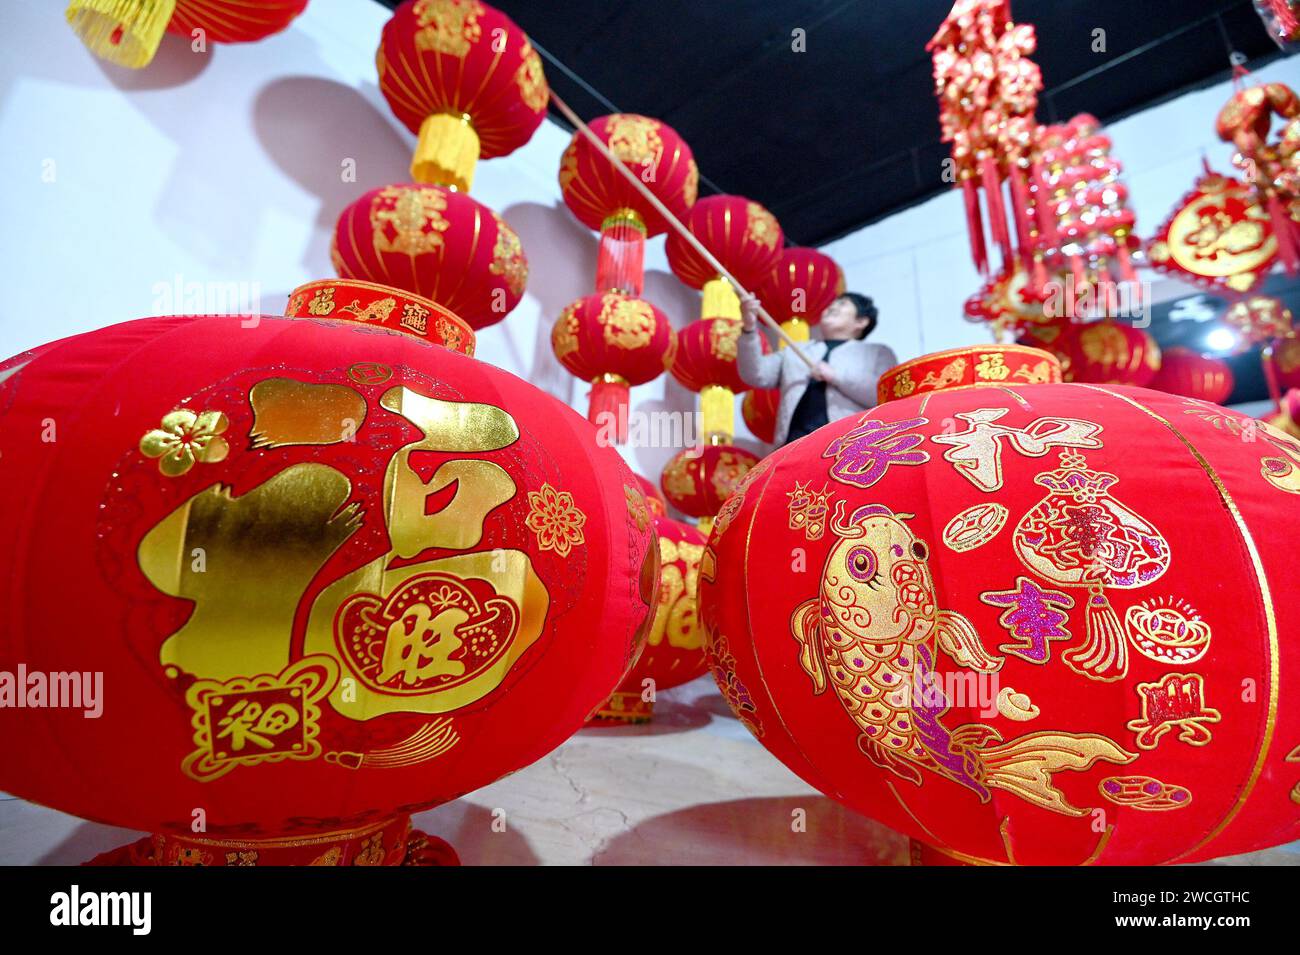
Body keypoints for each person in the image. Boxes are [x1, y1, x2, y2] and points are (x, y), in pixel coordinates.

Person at [737, 291, 897, 446]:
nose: (831, 308)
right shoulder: (795, 351)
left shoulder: (877, 352)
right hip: (793, 446)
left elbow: (885, 395)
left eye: (842, 304)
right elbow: (755, 374)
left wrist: (836, 376)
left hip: (850, 446)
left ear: (861, 321)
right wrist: (749, 328)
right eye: (830, 305)